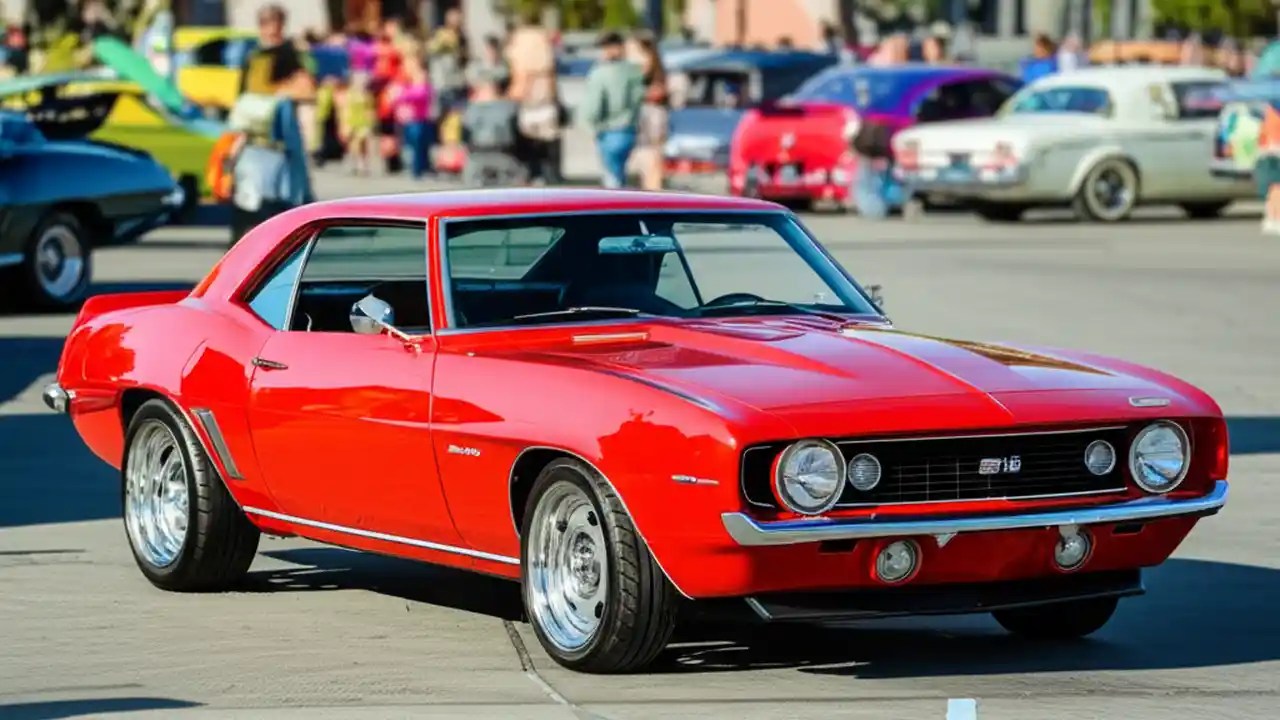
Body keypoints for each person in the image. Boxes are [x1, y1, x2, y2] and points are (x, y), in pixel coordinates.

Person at [581, 31, 644, 189]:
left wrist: (590, 125)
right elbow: (639, 99)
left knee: (611, 177)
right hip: (629, 129)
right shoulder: (634, 71)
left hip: (608, 130)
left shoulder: (600, 73)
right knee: (620, 172)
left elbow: (594, 106)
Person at [507, 7, 561, 184]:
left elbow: (518, 73)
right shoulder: (543, 40)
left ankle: (532, 174)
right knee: (547, 142)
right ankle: (548, 175)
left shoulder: (519, 41)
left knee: (529, 142)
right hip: (544, 98)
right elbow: (551, 72)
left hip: (526, 99)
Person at [239, 4, 315, 101]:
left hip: (296, 93)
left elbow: (309, 70)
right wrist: (285, 87)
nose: (275, 35)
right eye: (272, 33)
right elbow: (256, 88)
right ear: (262, 29)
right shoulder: (256, 55)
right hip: (271, 100)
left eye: (279, 30)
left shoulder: (292, 47)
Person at [461, 77, 526, 187]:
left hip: (478, 157)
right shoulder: (511, 107)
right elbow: (519, 137)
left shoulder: (471, 109)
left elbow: (465, 137)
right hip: (504, 156)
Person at [629, 32, 668, 191]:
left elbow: (657, 92)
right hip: (647, 118)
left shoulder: (649, 70)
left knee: (651, 158)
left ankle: (652, 191)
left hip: (651, 117)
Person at [387, 54, 436, 180]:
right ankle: (418, 168)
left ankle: (418, 169)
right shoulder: (409, 79)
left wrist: (402, 95)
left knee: (419, 146)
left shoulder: (421, 76)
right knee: (415, 146)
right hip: (412, 119)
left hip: (420, 119)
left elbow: (422, 94)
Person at [427, 7, 469, 113]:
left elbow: (464, 57)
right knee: (440, 114)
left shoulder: (462, 37)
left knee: (456, 114)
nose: (458, 21)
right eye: (456, 18)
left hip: (457, 83)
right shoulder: (441, 35)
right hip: (442, 84)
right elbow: (430, 50)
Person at [339, 70, 375, 175]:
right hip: (352, 122)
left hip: (363, 122)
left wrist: (371, 122)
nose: (360, 83)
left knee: (363, 143)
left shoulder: (367, 95)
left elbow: (370, 109)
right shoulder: (349, 94)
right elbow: (345, 109)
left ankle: (363, 163)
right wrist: (344, 123)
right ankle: (356, 163)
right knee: (355, 144)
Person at [1257, 102, 1280, 234]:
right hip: (1274, 153)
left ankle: (1272, 218)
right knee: (1276, 187)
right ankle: (1274, 218)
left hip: (1268, 151)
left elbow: (1263, 134)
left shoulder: (1269, 111)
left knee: (1274, 188)